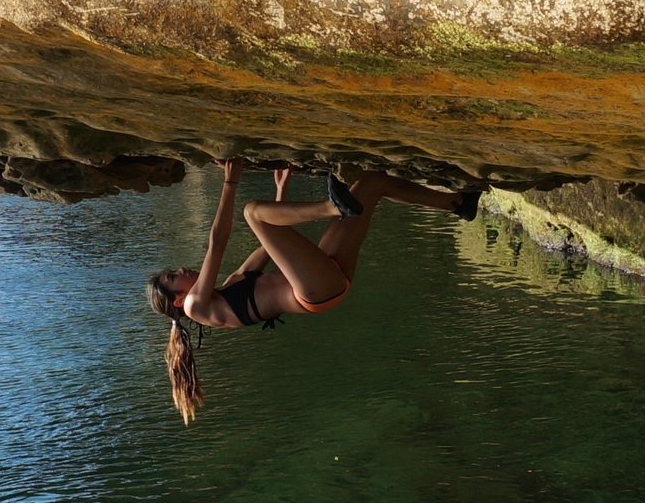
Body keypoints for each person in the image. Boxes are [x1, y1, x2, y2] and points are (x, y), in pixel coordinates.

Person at [146, 159, 482, 422]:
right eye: (173, 276)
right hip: (314, 291)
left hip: (325, 279)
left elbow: (270, 245)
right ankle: (334, 206)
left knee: (371, 184)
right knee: (251, 212)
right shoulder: (196, 308)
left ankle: (457, 204)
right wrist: (230, 182)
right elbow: (216, 246)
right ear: (177, 298)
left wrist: (281, 191)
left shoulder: (229, 287)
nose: (180, 271)